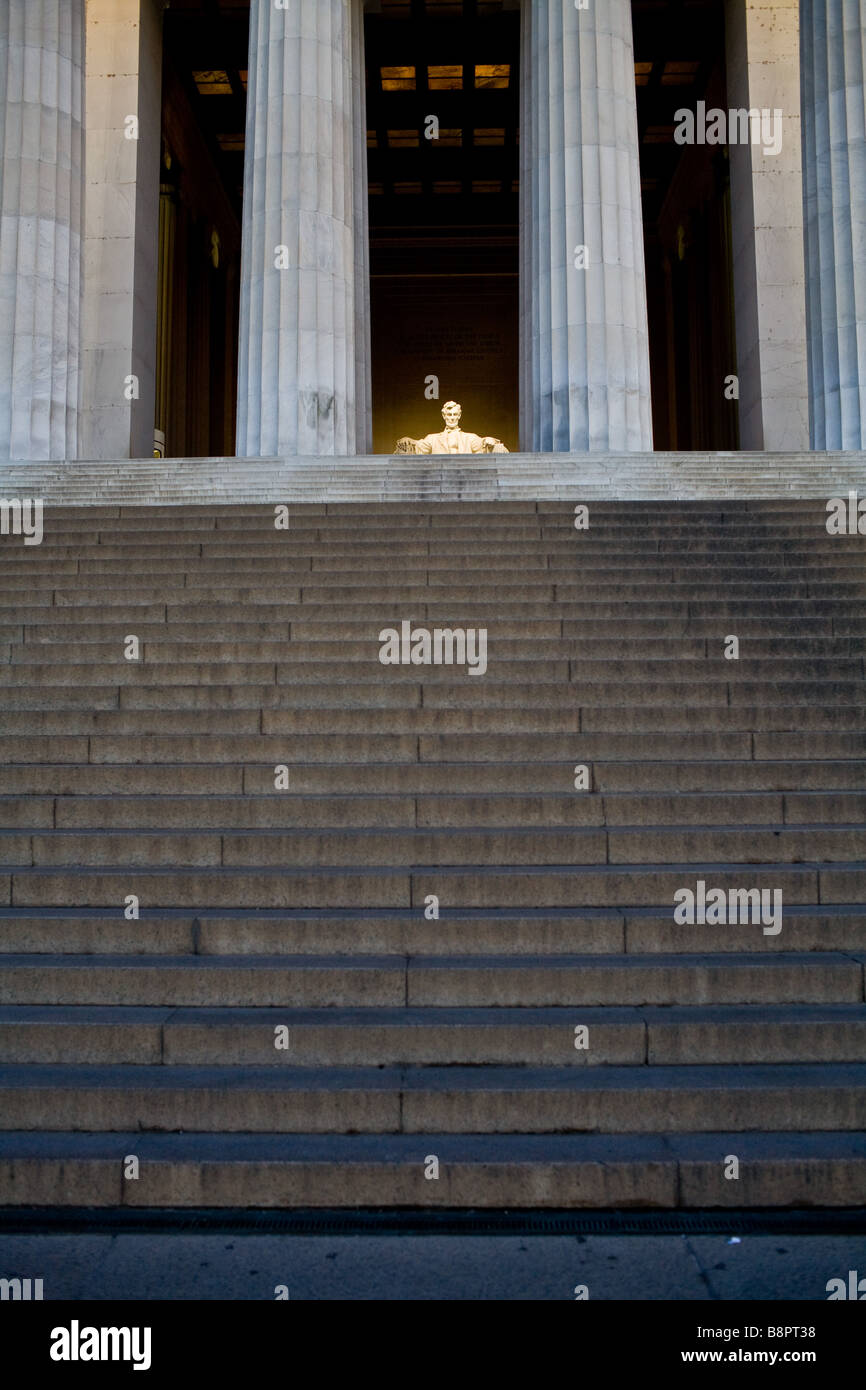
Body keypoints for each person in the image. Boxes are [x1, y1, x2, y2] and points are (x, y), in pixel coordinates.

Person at [396, 401, 509, 454]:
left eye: (455, 415)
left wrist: (490, 440)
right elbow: (420, 446)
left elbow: (482, 443)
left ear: (459, 416)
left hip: (466, 471)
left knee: (499, 449)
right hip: (438, 471)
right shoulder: (433, 438)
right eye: (449, 415)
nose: (452, 418)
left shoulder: (469, 438)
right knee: (402, 449)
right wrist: (409, 440)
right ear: (444, 416)